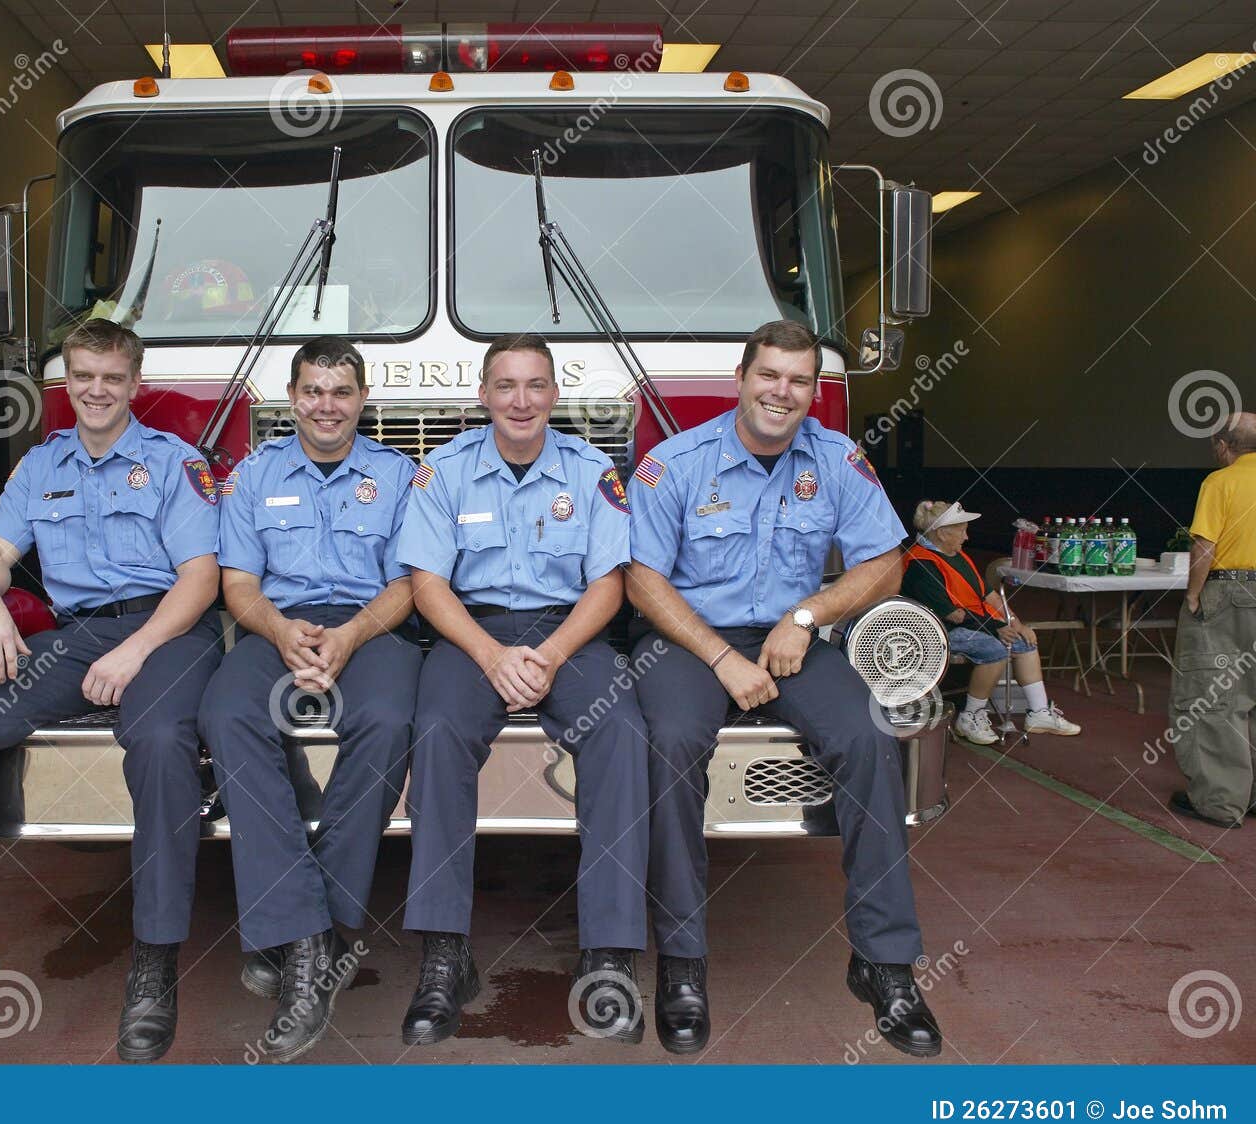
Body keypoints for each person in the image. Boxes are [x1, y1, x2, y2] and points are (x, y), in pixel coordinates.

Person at [0, 319, 224, 1064]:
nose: (96, 389)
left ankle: (154, 964)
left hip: (170, 634)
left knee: (157, 742)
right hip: (75, 636)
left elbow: (200, 578)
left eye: (112, 377)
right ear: (65, 384)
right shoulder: (38, 468)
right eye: (83, 375)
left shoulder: (173, 463)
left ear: (133, 384)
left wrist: (138, 648)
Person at [626, 319, 944, 1058]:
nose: (783, 392)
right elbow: (642, 579)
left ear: (811, 389)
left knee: (871, 735)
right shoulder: (675, 462)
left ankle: (884, 962)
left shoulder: (836, 458)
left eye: (800, 380)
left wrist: (807, 616)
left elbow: (884, 565)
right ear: (741, 377)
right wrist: (718, 656)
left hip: (789, 637)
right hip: (688, 640)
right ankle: (681, 965)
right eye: (770, 375)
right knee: (670, 743)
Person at [395, 333, 650, 1046]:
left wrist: (551, 652)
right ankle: (445, 954)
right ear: (483, 395)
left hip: (568, 631)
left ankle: (610, 953)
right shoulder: (442, 472)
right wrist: (489, 652)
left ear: (554, 396)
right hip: (470, 631)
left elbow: (610, 583)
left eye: (536, 385)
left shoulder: (592, 469)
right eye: (506, 385)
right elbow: (427, 584)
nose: (521, 400)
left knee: (622, 733)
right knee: (439, 730)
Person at [199, 336, 421, 1061]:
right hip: (275, 629)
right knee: (226, 713)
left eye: (342, 391)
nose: (327, 404)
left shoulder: (398, 476)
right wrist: (278, 630)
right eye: (314, 390)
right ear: (291, 398)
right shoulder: (252, 477)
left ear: (363, 400)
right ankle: (309, 936)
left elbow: (410, 584)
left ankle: (305, 932)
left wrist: (352, 635)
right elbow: (238, 585)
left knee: (390, 719)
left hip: (370, 629)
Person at [902, 500, 1081, 744]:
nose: (966, 537)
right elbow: (954, 615)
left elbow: (990, 596)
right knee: (994, 650)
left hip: (973, 623)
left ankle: (1039, 713)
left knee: (1023, 640)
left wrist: (1015, 623)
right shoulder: (921, 564)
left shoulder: (957, 555)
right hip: (940, 630)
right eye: (962, 530)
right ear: (942, 534)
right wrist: (997, 628)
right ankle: (970, 716)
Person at [1170, 412, 1256, 830]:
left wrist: (1193, 594)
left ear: (1224, 446)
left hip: (1230, 592)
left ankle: (1221, 802)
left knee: (1213, 695)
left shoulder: (1220, 482)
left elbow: (1205, 544)